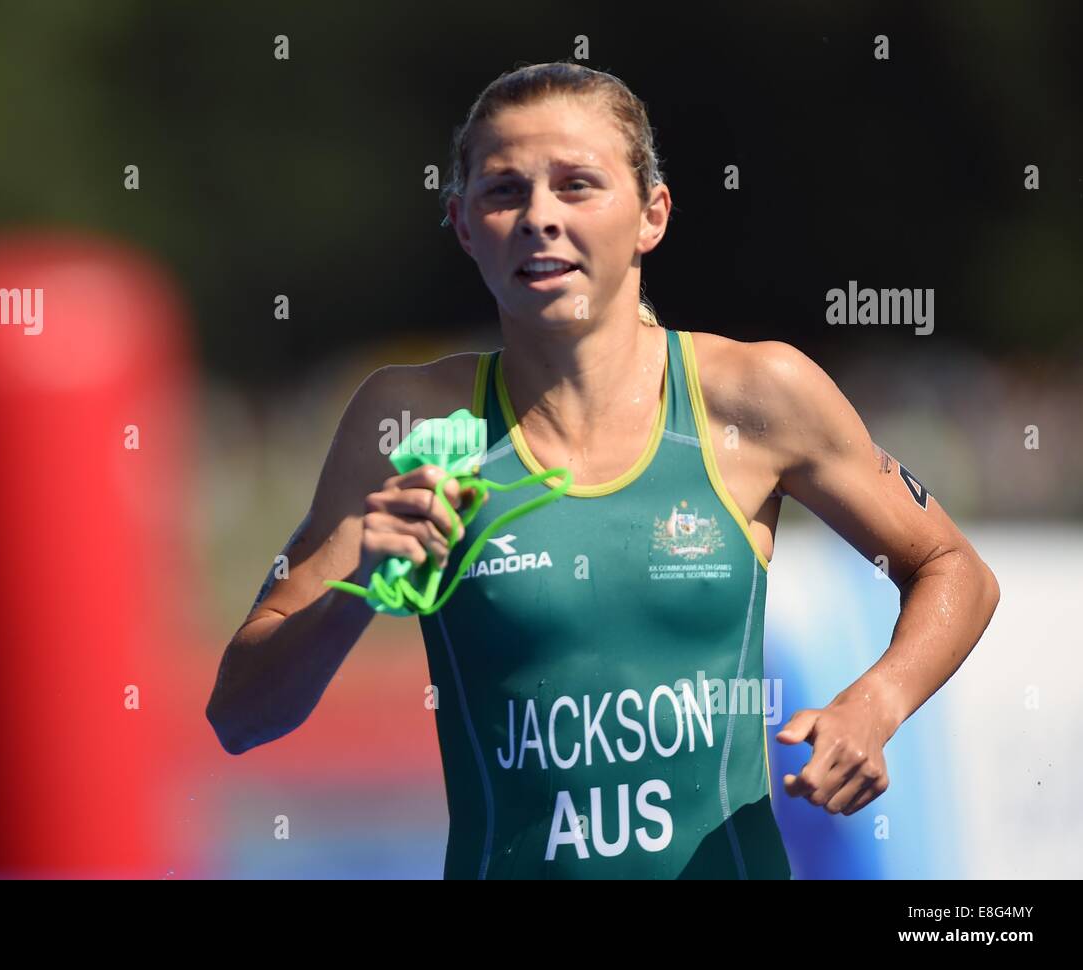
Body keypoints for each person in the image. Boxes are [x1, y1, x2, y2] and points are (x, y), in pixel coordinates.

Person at [206, 61, 1001, 879]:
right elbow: (239, 716)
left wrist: (874, 705)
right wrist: (356, 594)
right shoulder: (408, 422)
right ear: (462, 224)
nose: (539, 218)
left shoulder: (756, 396)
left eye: (577, 185)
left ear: (652, 215)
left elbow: (955, 569)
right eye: (503, 191)